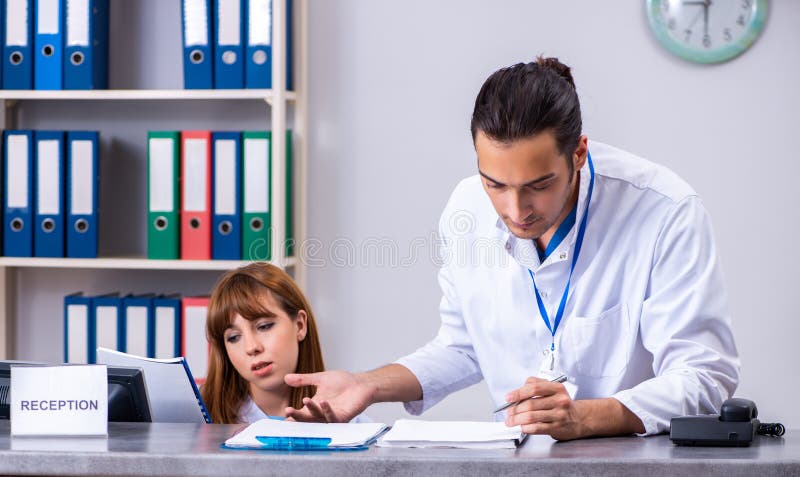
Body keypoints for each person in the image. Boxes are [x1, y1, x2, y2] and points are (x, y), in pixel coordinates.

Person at [284, 57, 740, 440]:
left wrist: (587, 417)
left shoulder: (664, 209)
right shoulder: (465, 205)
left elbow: (703, 374)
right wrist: (366, 385)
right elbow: (463, 348)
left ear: (578, 153)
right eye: (494, 184)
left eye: (539, 185)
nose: (516, 208)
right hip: (515, 460)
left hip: (632, 460)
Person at [201, 262, 325, 424]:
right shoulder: (198, 418)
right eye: (233, 337)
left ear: (300, 325)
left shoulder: (348, 422)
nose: (251, 347)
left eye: (264, 326)